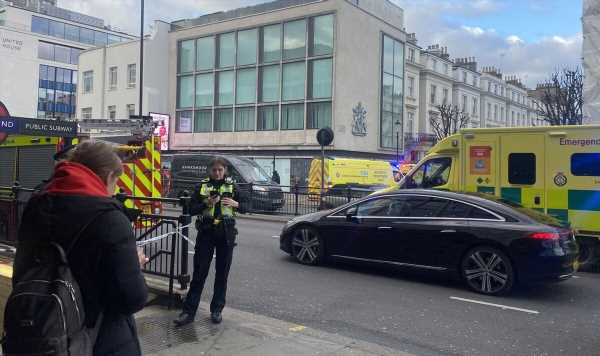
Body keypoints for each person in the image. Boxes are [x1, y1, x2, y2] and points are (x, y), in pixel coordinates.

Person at [13, 140, 149, 356]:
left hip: (40, 326)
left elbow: (22, 267)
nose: (114, 191)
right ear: (107, 177)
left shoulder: (36, 204)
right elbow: (132, 298)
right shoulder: (110, 219)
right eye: (116, 182)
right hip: (97, 336)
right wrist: (136, 264)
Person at [174, 157, 245, 326]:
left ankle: (217, 310)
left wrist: (236, 203)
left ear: (225, 170)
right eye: (214, 170)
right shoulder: (201, 186)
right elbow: (190, 210)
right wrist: (207, 202)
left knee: (222, 275)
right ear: (210, 171)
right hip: (206, 232)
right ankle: (188, 312)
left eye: (220, 170)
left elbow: (249, 205)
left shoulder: (233, 186)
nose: (217, 173)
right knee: (199, 274)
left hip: (226, 233)